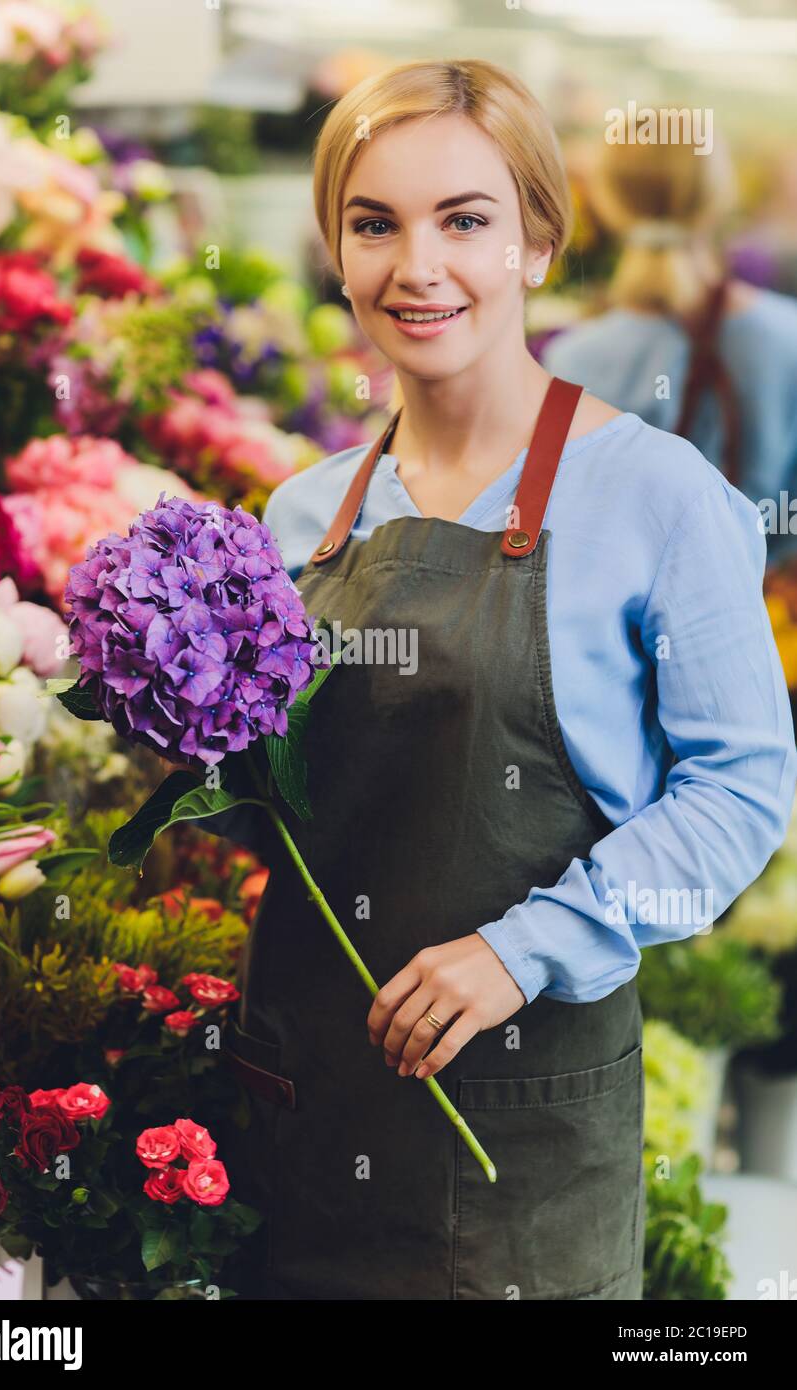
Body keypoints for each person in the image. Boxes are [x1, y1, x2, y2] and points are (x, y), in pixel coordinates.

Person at [216, 58, 797, 1302]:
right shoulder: (301, 512)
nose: (416, 267)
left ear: (538, 240)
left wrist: (529, 944)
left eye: (464, 220)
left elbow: (741, 794)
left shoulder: (656, 495)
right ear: (336, 249)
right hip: (306, 1117)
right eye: (373, 223)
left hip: (515, 1144)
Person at [541, 138, 797, 567]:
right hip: (761, 609)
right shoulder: (786, 335)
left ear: (607, 205)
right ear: (719, 199)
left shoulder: (571, 359)